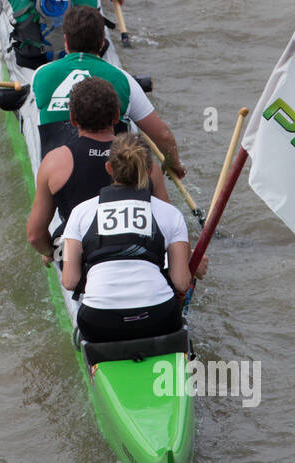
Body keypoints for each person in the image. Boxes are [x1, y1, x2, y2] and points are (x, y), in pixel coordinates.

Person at [60, 134, 206, 343]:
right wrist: (192, 266)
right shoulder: (170, 214)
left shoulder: (80, 212)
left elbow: (69, 280)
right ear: (149, 171)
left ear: (109, 168)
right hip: (158, 318)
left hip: (98, 321)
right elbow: (182, 283)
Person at [27, 79, 169, 265]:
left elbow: (35, 235)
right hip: (139, 257)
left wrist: (50, 253)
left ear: (72, 119)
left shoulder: (54, 162)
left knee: (58, 241)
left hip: (80, 262)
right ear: (117, 116)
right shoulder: (145, 161)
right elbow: (168, 227)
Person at [32, 5, 187, 175]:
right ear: (102, 41)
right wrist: (173, 163)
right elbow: (163, 135)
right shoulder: (123, 79)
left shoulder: (40, 75)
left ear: (66, 41)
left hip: (58, 178)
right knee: (154, 172)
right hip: (113, 178)